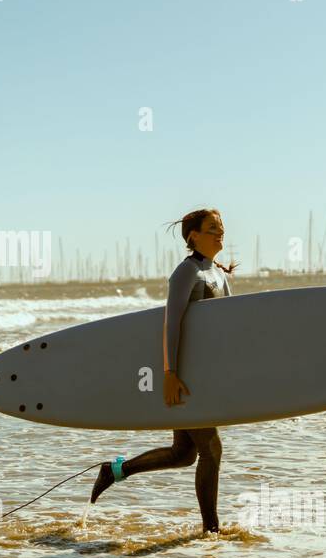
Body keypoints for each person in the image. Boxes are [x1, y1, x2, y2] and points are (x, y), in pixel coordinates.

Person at [89, 207, 237, 532]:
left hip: (205, 377)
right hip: (185, 376)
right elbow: (171, 324)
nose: (219, 232)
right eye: (212, 227)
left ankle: (114, 471)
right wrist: (170, 374)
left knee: (184, 453)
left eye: (221, 227)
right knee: (211, 449)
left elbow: (227, 330)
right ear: (193, 236)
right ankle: (211, 531)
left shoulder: (218, 275)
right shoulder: (186, 272)